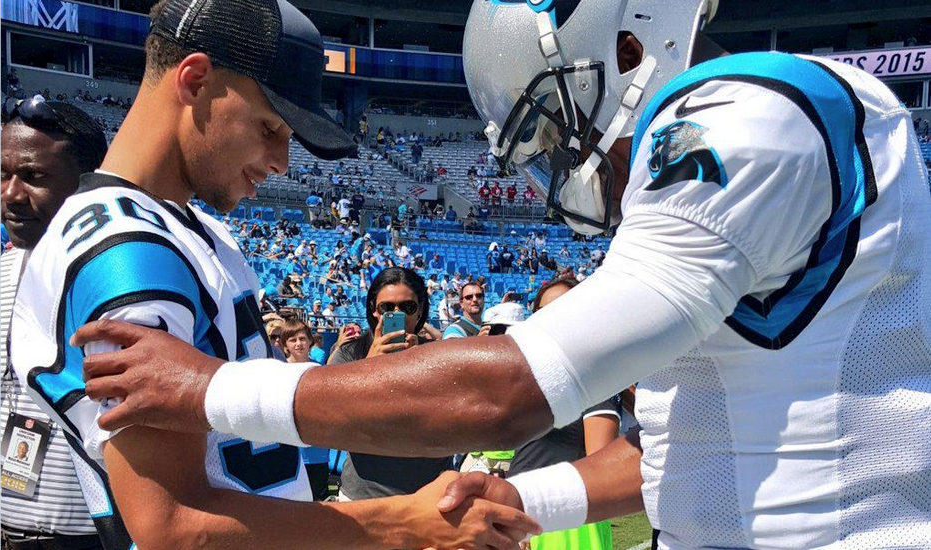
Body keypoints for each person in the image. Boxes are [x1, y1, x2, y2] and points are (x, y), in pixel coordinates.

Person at [66, 0, 931, 548]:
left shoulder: (752, 109)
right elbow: (676, 450)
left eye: (549, 124)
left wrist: (213, 389)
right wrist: (517, 497)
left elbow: (508, 393)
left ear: (629, 45)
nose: (555, 162)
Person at [11, 1, 535, 549]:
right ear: (194, 80)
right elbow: (172, 525)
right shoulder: (127, 252)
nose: (282, 160)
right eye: (269, 127)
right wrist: (403, 522)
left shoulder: (191, 229)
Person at [1, 99, 109, 549]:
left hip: (87, 538)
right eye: (3, 174)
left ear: (85, 184)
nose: (11, 193)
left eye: (34, 176)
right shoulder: (3, 273)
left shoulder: (114, 281)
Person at [509, 278, 621, 550]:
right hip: (521, 512)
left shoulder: (592, 377)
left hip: (564, 522)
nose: (552, 318)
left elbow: (600, 470)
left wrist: (533, 513)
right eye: (543, 311)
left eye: (563, 308)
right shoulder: (533, 378)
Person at [329, 268, 453, 501]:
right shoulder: (350, 354)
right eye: (387, 307)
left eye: (408, 307)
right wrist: (369, 366)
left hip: (430, 495)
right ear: (374, 311)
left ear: (420, 310)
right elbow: (332, 415)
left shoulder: (441, 356)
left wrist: (423, 364)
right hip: (364, 496)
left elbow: (453, 414)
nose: (398, 314)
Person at [279, 319, 330, 500]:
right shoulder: (277, 371)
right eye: (292, 340)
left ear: (310, 342)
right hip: (287, 449)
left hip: (315, 451)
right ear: (285, 345)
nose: (298, 344)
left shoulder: (320, 371)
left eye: (302, 339)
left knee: (316, 502)